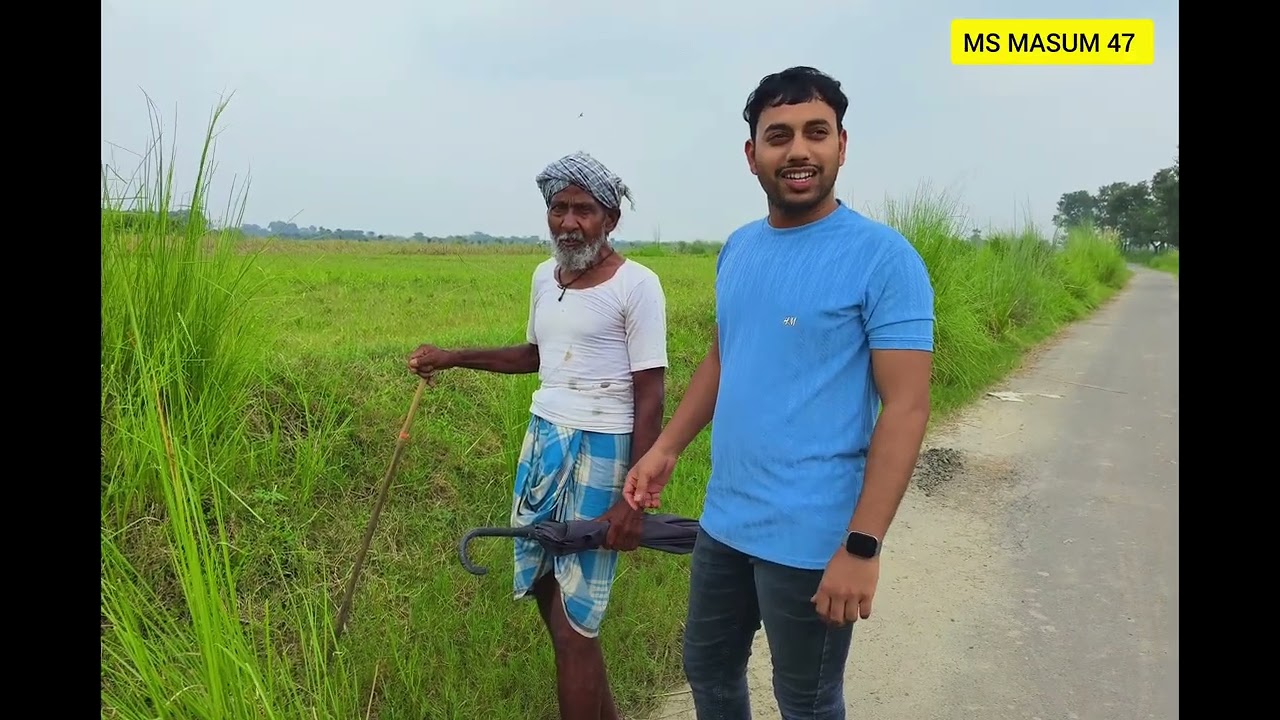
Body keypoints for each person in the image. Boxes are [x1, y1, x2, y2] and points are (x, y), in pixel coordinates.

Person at [624, 66, 936, 719]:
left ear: (841, 146)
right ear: (752, 155)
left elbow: (906, 408)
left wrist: (862, 545)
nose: (798, 150)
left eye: (816, 133)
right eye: (779, 135)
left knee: (807, 699)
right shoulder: (738, 248)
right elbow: (723, 355)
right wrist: (666, 449)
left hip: (813, 536)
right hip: (726, 521)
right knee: (707, 670)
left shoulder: (884, 258)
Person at [408, 151, 668, 720]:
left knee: (576, 622)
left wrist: (637, 495)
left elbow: (651, 394)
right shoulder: (543, 278)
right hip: (543, 442)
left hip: (603, 449)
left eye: (583, 210)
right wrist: (452, 357)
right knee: (551, 601)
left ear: (610, 219)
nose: (568, 222)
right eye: (558, 208)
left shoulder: (637, 286)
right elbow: (535, 356)